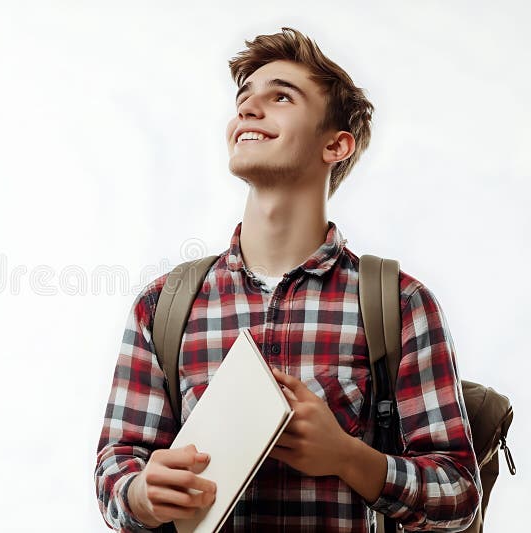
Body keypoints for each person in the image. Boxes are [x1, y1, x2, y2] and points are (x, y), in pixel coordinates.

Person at [94, 27, 481, 532]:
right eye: (243, 100)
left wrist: (346, 456)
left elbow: (459, 492)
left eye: (279, 96)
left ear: (336, 145)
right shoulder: (163, 305)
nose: (248, 111)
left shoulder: (401, 304)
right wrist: (141, 493)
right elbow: (115, 470)